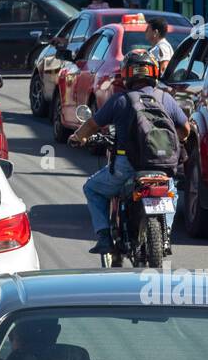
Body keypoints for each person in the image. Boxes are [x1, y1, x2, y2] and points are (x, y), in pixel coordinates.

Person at [69, 49, 191, 255]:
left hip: (127, 166)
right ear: (153, 73)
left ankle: (104, 238)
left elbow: (92, 125)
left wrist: (77, 137)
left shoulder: (120, 100)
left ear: (126, 74)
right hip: (163, 166)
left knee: (92, 188)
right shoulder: (166, 98)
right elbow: (185, 129)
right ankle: (166, 236)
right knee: (171, 191)